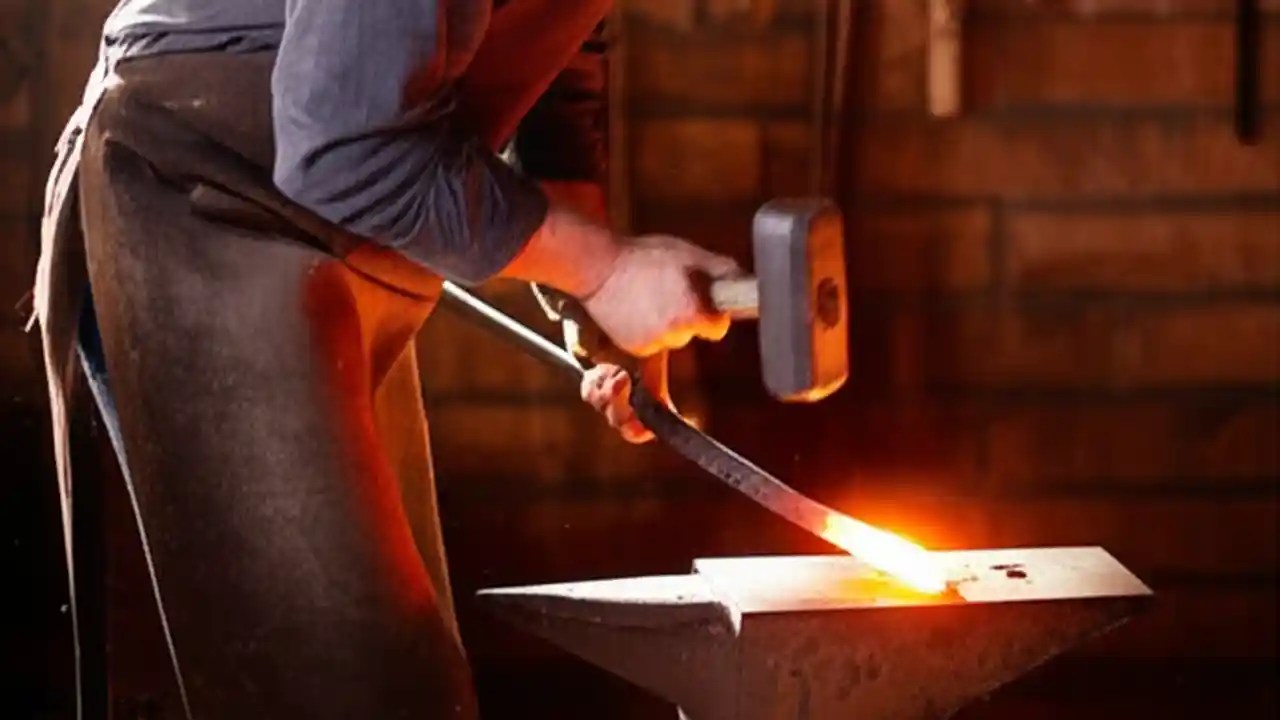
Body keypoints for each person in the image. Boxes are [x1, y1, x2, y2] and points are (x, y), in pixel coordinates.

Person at [31, 1, 740, 717]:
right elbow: (342, 152)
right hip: (206, 195)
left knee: (399, 678)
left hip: (339, 225)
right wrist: (601, 270)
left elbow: (563, 26)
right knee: (346, 694)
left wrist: (593, 274)